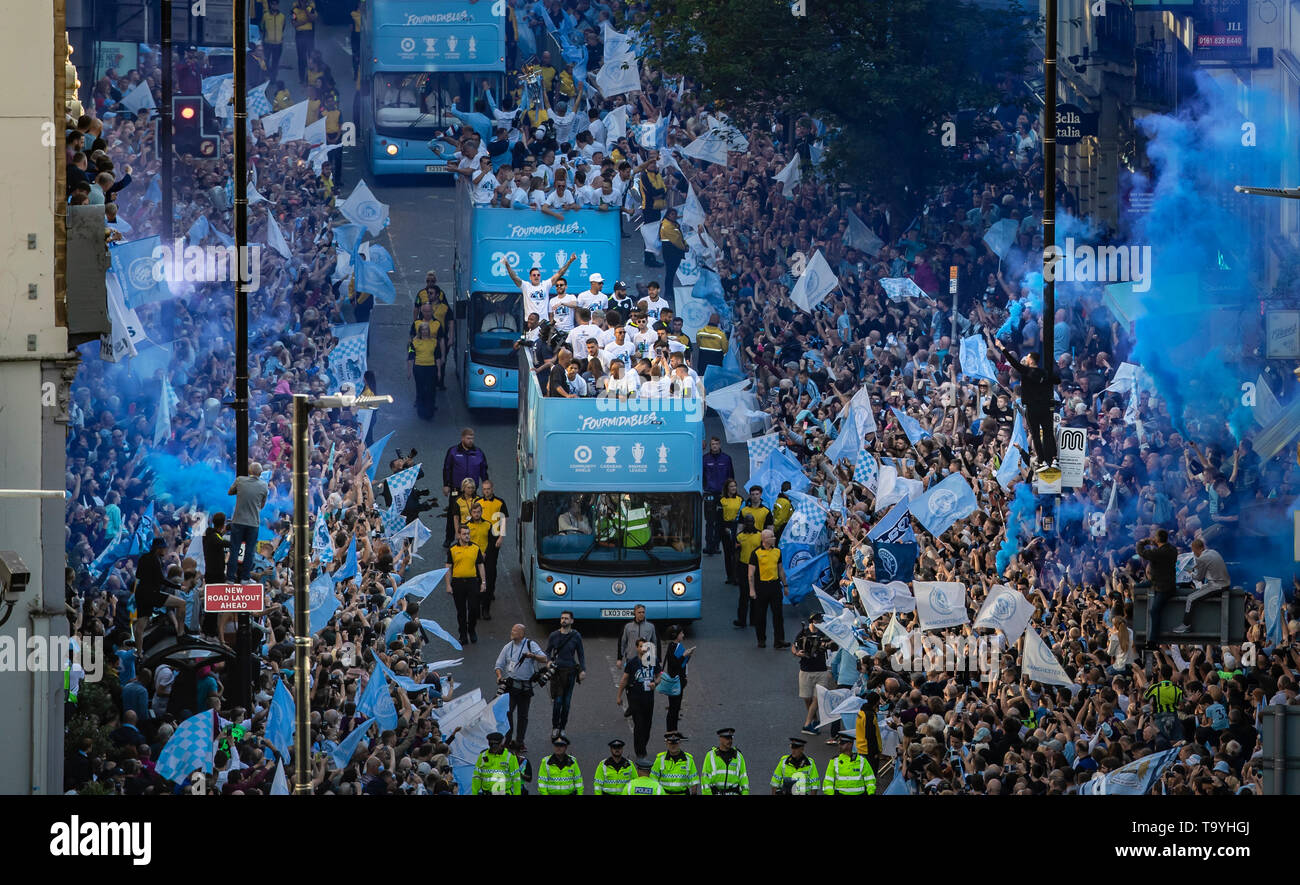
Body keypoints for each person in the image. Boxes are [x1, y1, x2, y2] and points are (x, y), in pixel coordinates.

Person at [994, 336, 1061, 468]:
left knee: (1036, 435)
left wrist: (1002, 347)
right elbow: (1057, 380)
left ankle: (1042, 460)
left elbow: (1012, 362)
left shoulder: (1026, 371)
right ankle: (1053, 459)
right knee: (1048, 433)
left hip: (1032, 408)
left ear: (1030, 361)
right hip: (1045, 408)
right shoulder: (1044, 373)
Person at [494, 624, 548, 745]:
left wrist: (533, 656)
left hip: (525, 687)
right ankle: (507, 740)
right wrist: (499, 676)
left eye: (514, 631)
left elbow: (544, 659)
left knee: (523, 716)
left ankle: (520, 742)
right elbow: (498, 665)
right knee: (507, 713)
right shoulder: (508, 647)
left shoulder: (530, 645)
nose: (511, 632)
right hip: (511, 685)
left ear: (522, 634)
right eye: (512, 630)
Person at [133, 538, 187, 644]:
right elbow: (162, 580)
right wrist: (179, 587)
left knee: (140, 627)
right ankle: (181, 634)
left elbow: (138, 575)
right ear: (158, 549)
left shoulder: (143, 558)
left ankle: (139, 653)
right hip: (152, 594)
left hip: (140, 594)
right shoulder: (155, 560)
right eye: (164, 548)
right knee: (182, 603)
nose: (165, 551)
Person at [442, 428, 489, 547]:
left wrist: (485, 485)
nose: (470, 440)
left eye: (472, 438)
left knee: (474, 512)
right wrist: (446, 485)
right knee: (453, 514)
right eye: (468, 438)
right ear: (462, 438)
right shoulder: (453, 451)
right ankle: (449, 538)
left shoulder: (478, 453)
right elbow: (447, 468)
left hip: (472, 490)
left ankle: (472, 536)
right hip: (456, 489)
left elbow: (484, 470)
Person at [1174, 538, 1231, 634]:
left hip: (1217, 585)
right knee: (1202, 588)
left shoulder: (1201, 559)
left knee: (1190, 598)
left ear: (1195, 549)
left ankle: (1185, 625)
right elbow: (1206, 564)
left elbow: (1199, 578)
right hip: (1225, 583)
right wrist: (1194, 567)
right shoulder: (1213, 552)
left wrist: (1190, 573)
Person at [545, 610, 586, 741]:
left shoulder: (576, 636)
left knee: (566, 703)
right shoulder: (554, 635)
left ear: (572, 621)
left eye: (566, 618)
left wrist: (582, 670)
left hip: (570, 672)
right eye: (562, 618)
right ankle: (555, 727)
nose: (564, 620)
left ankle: (562, 728)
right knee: (557, 702)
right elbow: (547, 652)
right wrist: (549, 661)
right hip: (556, 673)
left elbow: (581, 653)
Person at [225, 462, 269, 584]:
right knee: (250, 551)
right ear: (260, 473)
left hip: (238, 521)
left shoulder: (240, 480)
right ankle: (245, 578)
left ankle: (230, 578)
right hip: (253, 522)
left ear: (249, 471)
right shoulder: (264, 485)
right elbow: (262, 504)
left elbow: (230, 492)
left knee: (234, 549)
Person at [503, 253, 576, 324]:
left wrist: (570, 261)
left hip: (543, 323)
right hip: (530, 323)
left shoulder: (545, 285)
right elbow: (514, 277)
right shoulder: (526, 286)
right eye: (534, 275)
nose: (536, 276)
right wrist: (507, 265)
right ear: (530, 277)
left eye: (538, 275)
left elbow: (560, 273)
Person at [748, 528, 789, 649]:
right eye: (772, 536)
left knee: (778, 614)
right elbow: (751, 573)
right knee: (760, 615)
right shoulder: (756, 553)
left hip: (775, 586)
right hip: (761, 587)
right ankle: (761, 639)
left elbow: (780, 570)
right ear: (765, 540)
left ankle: (779, 640)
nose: (774, 538)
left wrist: (785, 585)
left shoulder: (777, 551)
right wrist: (752, 589)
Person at [1137, 529, 1178, 648]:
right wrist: (1155, 543)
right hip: (1161, 582)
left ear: (1158, 539)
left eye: (1155, 537)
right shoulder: (1172, 550)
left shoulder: (1158, 553)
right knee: (1137, 586)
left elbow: (1141, 552)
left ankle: (1152, 641)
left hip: (1162, 587)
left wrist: (1143, 542)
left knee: (1154, 610)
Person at [474, 480, 508, 619]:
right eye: (484, 489)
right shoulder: (478, 502)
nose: (486, 491)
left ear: (492, 489)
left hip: (493, 537)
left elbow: (504, 520)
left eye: (488, 489)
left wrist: (501, 536)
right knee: (478, 570)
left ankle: (490, 590)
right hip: (480, 537)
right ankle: (480, 597)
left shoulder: (499, 502)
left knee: (491, 568)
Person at [445, 524, 484, 644]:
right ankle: (463, 634)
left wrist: (483, 582)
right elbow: (448, 568)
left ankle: (471, 629)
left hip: (472, 581)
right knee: (461, 611)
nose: (467, 536)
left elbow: (480, 565)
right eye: (464, 534)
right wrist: (448, 584)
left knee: (473, 608)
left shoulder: (475, 548)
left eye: (468, 533)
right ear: (459, 535)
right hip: (458, 583)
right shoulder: (452, 549)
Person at [702, 437, 735, 556]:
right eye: (712, 444)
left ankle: (716, 545)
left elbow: (731, 476)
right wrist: (703, 489)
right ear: (710, 446)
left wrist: (731, 492)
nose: (714, 446)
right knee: (709, 521)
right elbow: (701, 475)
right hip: (709, 493)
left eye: (716, 444)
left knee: (720, 521)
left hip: (722, 494)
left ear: (720, 445)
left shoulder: (726, 459)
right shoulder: (705, 459)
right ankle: (709, 545)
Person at [661, 625, 693, 733]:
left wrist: (688, 656)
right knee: (673, 708)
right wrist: (684, 655)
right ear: (676, 635)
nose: (683, 635)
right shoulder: (674, 647)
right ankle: (670, 732)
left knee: (675, 708)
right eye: (681, 633)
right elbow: (675, 665)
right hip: (676, 682)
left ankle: (674, 731)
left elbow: (682, 664)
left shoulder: (674, 646)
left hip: (678, 681)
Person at [701, 727, 749, 795]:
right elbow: (705, 780)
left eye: (731, 738)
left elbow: (744, 779)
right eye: (727, 738)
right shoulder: (710, 755)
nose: (730, 741)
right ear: (720, 739)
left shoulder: (738, 756)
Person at [407, 321, 439, 420]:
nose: (425, 331)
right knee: (420, 390)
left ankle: (430, 412)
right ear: (420, 331)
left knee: (430, 390)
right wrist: (409, 371)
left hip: (431, 368)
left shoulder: (434, 342)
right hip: (419, 368)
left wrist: (439, 372)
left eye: (426, 329)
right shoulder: (413, 343)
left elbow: (437, 356)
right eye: (423, 330)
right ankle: (421, 412)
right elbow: (410, 357)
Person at [1144, 666, 1184, 743]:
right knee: (1178, 743)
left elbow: (1145, 697)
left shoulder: (1155, 687)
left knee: (1162, 742)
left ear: (1160, 675)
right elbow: (1181, 706)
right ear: (1171, 675)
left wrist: (1151, 684)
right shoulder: (1178, 689)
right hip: (1174, 717)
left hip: (1159, 718)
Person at [616, 604, 659, 668]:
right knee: (630, 677)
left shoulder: (651, 627)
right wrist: (619, 659)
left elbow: (656, 643)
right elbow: (622, 643)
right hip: (631, 658)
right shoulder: (628, 626)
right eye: (639, 612)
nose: (641, 614)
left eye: (643, 612)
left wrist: (658, 659)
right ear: (634, 613)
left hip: (646, 659)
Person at [719, 478, 743, 586]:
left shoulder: (740, 499)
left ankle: (737, 576)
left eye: (735, 486)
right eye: (731, 486)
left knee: (737, 553)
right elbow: (718, 517)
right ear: (727, 488)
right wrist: (724, 528)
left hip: (737, 527)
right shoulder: (721, 500)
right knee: (728, 554)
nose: (733, 488)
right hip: (726, 527)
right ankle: (729, 576)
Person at [290, 0, 317, 85]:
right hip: (300, 35)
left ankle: (311, 77)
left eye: (304, 1)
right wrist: (305, 21)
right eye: (301, 1)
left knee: (311, 57)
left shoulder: (310, 9)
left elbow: (313, 19)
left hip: (309, 35)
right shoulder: (294, 11)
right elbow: (294, 24)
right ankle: (302, 78)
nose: (303, 3)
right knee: (301, 58)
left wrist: (305, 10)